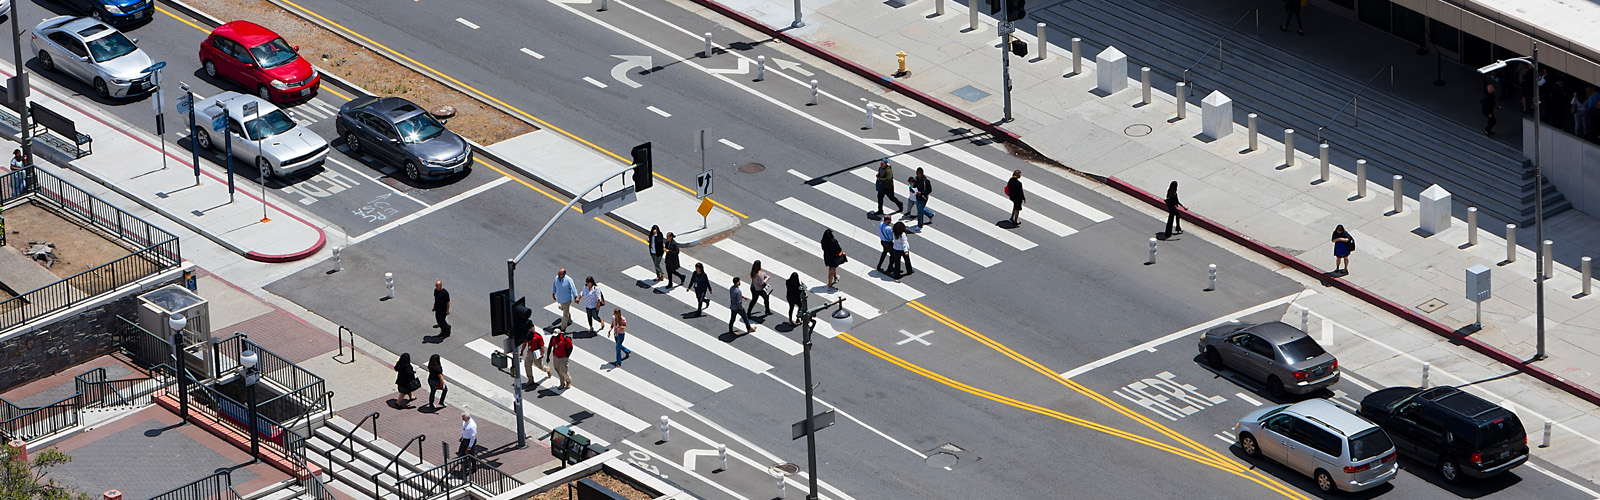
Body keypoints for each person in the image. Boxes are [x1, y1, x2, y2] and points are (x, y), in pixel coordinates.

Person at [520, 324, 547, 388]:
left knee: (540, 366)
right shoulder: (528, 335)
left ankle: (547, 369)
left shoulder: (538, 337)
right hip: (530, 352)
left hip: (536, 353)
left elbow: (542, 346)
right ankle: (530, 379)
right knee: (527, 365)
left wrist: (542, 354)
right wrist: (522, 351)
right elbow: (524, 343)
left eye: (532, 329)